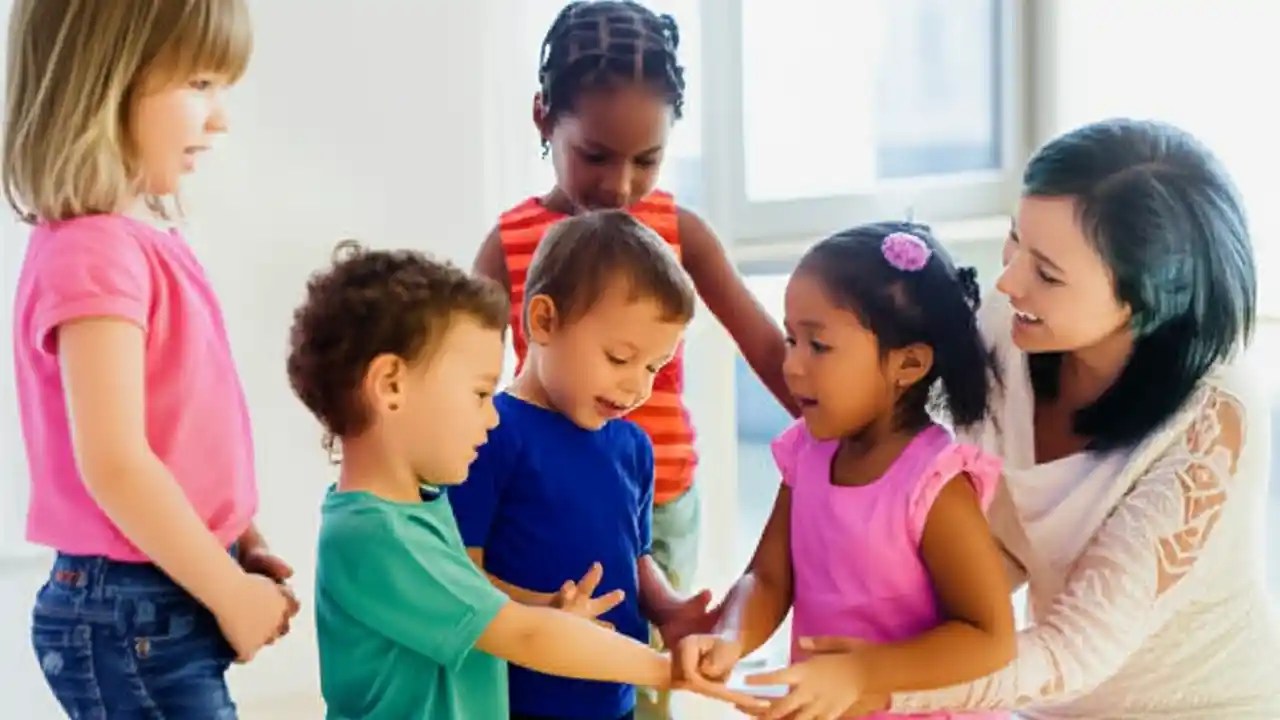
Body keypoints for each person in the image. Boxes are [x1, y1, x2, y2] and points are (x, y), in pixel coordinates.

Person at [766, 119, 1280, 718]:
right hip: (1046, 703)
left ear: (1146, 302)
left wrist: (879, 680)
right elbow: (878, 419)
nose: (1008, 280)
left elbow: (1073, 652)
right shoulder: (1012, 332)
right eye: (1016, 240)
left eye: (1048, 273)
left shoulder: (1214, 422)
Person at [474, 9, 794, 714]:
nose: (620, 184)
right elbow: (461, 367)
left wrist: (844, 424)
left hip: (656, 502)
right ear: (543, 119)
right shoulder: (513, 242)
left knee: (642, 680)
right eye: (595, 154)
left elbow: (765, 346)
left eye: (646, 159)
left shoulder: (680, 232)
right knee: (545, 665)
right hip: (538, 494)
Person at [289, 242, 758, 720]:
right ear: (391, 384)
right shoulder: (378, 534)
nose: (492, 418)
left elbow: (485, 607)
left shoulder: (413, 510)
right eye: (478, 393)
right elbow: (522, 634)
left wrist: (548, 610)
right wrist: (667, 670)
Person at [3, 1, 297, 717]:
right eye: (199, 84)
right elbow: (115, 464)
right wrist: (226, 591)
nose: (220, 117)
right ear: (107, 82)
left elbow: (177, 428)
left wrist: (233, 539)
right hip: (130, 609)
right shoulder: (94, 250)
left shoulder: (133, 241)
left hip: (151, 594)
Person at [675, 223, 1016, 719]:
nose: (791, 365)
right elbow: (769, 577)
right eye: (791, 339)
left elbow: (990, 638)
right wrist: (730, 634)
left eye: (818, 346)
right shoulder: (806, 452)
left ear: (909, 364)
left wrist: (861, 673)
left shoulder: (935, 483)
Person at [452, 210, 723, 720]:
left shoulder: (633, 447)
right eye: (620, 358)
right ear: (543, 321)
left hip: (611, 695)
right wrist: (538, 612)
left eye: (654, 367)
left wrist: (667, 607)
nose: (637, 386)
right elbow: (460, 573)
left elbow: (634, 555)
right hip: (515, 701)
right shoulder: (489, 433)